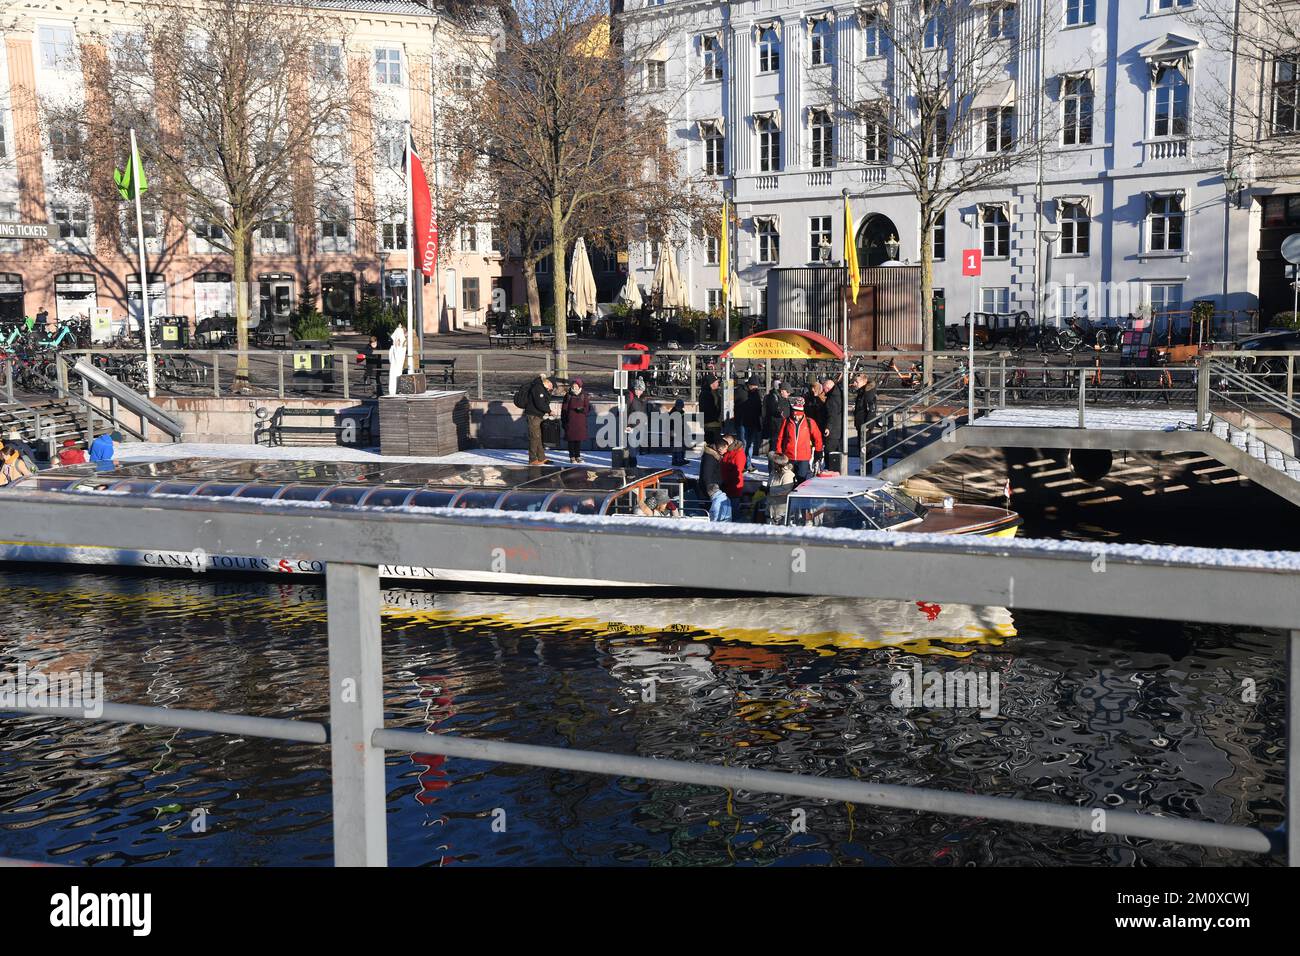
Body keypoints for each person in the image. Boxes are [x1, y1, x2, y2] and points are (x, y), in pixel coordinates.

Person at [776, 396, 823, 481]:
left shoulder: (809, 422)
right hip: (789, 456)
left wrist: (818, 451)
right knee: (788, 480)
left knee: (801, 479)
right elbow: (780, 437)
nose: (795, 417)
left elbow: (818, 437)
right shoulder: (787, 422)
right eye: (794, 415)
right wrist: (779, 452)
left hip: (803, 457)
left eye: (798, 415)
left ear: (802, 414)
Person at [522, 374, 554, 465]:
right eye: (552, 385)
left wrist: (548, 391)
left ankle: (541, 457)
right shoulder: (538, 388)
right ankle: (532, 459)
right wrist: (549, 411)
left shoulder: (542, 388)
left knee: (538, 436)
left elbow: (544, 401)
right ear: (547, 382)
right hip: (533, 416)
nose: (552, 387)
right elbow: (540, 403)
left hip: (537, 416)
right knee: (534, 437)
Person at [697, 437, 731, 522]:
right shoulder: (710, 457)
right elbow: (706, 476)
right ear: (720, 448)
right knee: (710, 514)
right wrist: (711, 492)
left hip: (713, 490)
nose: (726, 451)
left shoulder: (714, 456)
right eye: (726, 449)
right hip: (710, 493)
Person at [560, 377, 591, 464]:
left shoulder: (584, 395)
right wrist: (564, 421)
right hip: (570, 421)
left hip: (580, 422)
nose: (574, 387)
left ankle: (578, 456)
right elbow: (564, 409)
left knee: (578, 440)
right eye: (573, 385)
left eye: (576, 385)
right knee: (571, 440)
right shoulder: (568, 395)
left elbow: (587, 408)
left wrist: (582, 410)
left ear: (580, 386)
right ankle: (572, 456)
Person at [852, 371, 878, 472]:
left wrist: (868, 424)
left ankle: (867, 468)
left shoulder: (868, 392)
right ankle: (864, 467)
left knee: (865, 447)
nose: (854, 384)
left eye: (856, 382)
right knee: (861, 446)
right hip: (861, 423)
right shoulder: (862, 391)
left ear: (864, 381)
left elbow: (872, 409)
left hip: (865, 425)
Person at [821, 375, 844, 473]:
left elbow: (832, 414)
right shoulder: (837, 393)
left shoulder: (832, 399)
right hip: (838, 429)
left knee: (830, 450)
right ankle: (834, 469)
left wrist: (828, 427)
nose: (823, 391)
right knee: (835, 451)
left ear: (827, 388)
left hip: (833, 430)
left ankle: (830, 470)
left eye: (824, 389)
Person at [766, 453, 797, 524]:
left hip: (781, 511)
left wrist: (769, 490)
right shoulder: (774, 472)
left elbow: (786, 490)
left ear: (778, 464)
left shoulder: (787, 474)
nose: (772, 464)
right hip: (771, 509)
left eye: (774, 462)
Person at [720, 433, 747, 518]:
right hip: (726, 484)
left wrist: (726, 481)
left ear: (730, 442)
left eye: (725, 442)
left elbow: (737, 471)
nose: (723, 444)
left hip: (733, 486)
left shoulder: (738, 453)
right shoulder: (728, 451)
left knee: (733, 511)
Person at [739, 379, 763, 468]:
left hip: (752, 422)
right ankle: (743, 463)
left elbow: (758, 409)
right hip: (743, 423)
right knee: (744, 444)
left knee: (750, 444)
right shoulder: (741, 392)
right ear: (750, 385)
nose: (756, 388)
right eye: (754, 386)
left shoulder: (756, 394)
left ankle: (747, 463)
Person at [625, 377, 648, 468]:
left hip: (640, 425)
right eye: (637, 389)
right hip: (632, 425)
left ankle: (632, 463)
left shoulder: (644, 399)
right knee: (632, 446)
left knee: (636, 446)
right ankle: (632, 465)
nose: (638, 392)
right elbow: (626, 411)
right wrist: (627, 425)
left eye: (640, 390)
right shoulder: (630, 397)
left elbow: (644, 411)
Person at [765, 381, 791, 452]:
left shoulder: (785, 399)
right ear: (782, 391)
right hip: (776, 427)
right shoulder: (774, 398)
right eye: (787, 392)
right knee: (774, 445)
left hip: (782, 426)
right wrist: (779, 413)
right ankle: (772, 462)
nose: (789, 394)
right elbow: (772, 410)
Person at [699, 374, 723, 444]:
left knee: (711, 443)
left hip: (710, 422)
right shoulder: (710, 394)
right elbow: (714, 407)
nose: (718, 383)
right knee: (713, 443)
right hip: (712, 423)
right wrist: (718, 417)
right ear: (711, 384)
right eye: (716, 382)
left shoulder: (706, 393)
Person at [387, 323, 407, 396]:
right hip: (395, 367)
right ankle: (394, 391)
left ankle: (397, 390)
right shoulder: (393, 348)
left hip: (399, 366)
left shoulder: (402, 347)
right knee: (394, 378)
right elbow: (391, 358)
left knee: (397, 377)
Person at [669, 398, 688, 466]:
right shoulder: (673, 413)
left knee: (681, 445)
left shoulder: (682, 412)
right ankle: (676, 460)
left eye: (681, 406)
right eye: (679, 406)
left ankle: (680, 459)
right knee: (677, 446)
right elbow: (670, 424)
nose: (680, 408)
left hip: (681, 431)